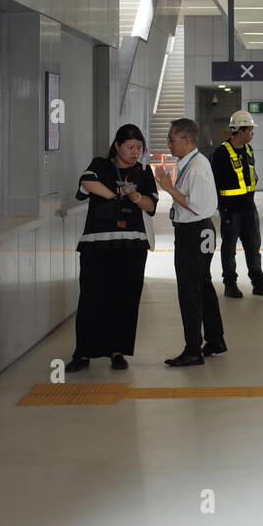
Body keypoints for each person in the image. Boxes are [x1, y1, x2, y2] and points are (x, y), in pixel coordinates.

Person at [66, 124, 158, 372]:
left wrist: (134, 196)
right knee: (92, 298)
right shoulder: (100, 165)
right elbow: (86, 182)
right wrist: (114, 196)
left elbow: (150, 206)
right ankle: (83, 353)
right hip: (97, 245)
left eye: (139, 147)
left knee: (126, 298)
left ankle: (118, 352)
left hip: (132, 246)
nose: (134, 152)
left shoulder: (143, 173)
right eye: (129, 147)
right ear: (117, 146)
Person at [153, 118, 225, 366]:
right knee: (202, 286)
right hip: (194, 231)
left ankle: (193, 348)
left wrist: (168, 188)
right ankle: (215, 339)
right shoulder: (190, 163)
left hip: (194, 232)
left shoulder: (196, 167)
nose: (169, 144)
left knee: (190, 291)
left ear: (187, 139)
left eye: (172, 139)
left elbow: (197, 206)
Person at [210, 109, 263, 299]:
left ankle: (258, 283)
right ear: (241, 130)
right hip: (231, 210)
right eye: (250, 130)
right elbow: (214, 183)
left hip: (249, 207)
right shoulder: (221, 153)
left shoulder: (248, 150)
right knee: (229, 249)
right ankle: (230, 284)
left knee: (253, 248)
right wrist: (222, 209)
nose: (252, 133)